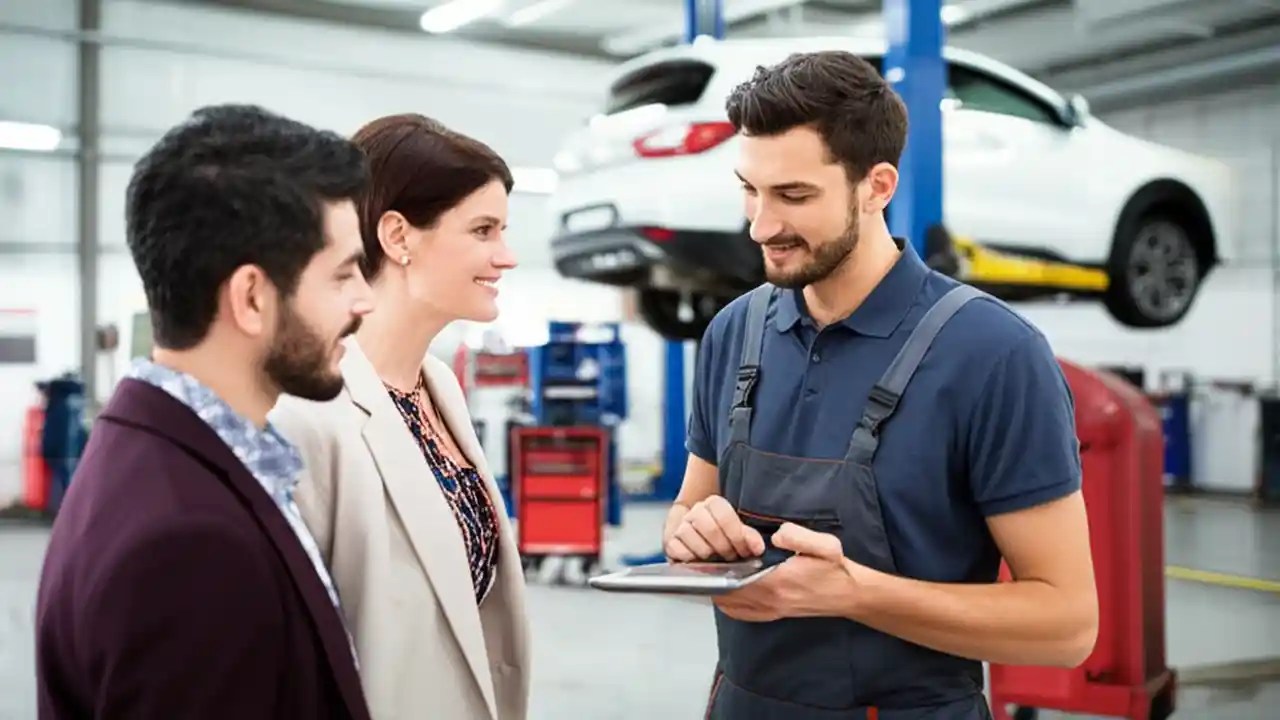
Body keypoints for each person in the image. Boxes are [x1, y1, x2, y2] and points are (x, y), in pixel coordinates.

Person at [662, 51, 1099, 719]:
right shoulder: (734, 332)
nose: (760, 225)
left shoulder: (994, 355)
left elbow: (1066, 626)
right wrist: (693, 536)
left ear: (877, 186)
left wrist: (855, 594)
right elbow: (688, 509)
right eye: (750, 189)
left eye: (794, 196)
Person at [35, 104, 375, 720]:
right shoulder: (188, 546)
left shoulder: (152, 459)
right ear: (251, 298)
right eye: (344, 274)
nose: (365, 300)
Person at [269, 113, 528, 720]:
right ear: (397, 235)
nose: (507, 256)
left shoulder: (440, 388)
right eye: (483, 230)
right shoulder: (307, 414)